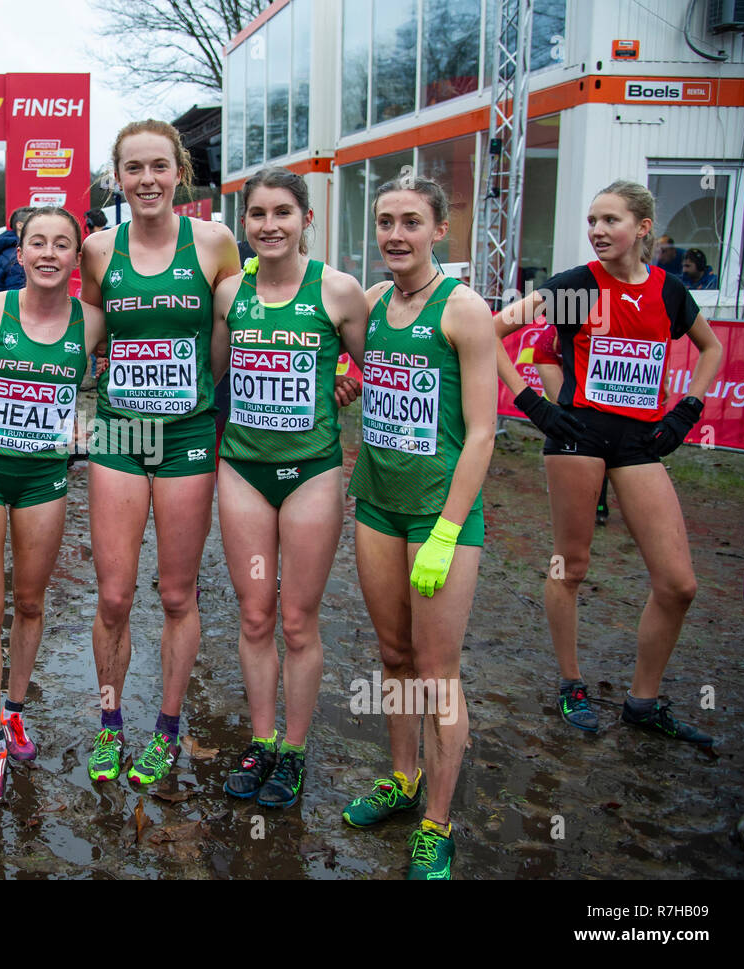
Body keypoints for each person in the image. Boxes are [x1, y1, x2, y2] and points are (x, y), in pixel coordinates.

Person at [493, 180, 722, 746]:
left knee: (678, 583)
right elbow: (491, 331)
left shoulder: (668, 291)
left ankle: (643, 702)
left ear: (643, 227)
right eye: (592, 220)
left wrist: (688, 408)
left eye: (610, 220)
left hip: (642, 442)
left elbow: (711, 348)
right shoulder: (579, 288)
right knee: (570, 566)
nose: (597, 230)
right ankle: (572, 684)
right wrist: (532, 405)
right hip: (577, 437)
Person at [339, 174, 497, 880]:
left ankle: (438, 821)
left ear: (440, 231)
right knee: (394, 654)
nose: (395, 235)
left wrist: (447, 529)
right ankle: (401, 780)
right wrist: (351, 382)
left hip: (441, 513)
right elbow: (373, 375)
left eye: (411, 221)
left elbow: (485, 433)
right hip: (375, 502)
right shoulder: (371, 305)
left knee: (439, 675)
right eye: (384, 222)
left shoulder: (464, 311)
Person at [79, 120, 241, 786]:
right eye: (133, 168)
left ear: (180, 172)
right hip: (119, 432)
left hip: (187, 437)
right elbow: (80, 333)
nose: (147, 179)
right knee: (114, 595)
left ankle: (168, 728)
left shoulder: (214, 242)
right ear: (117, 177)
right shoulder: (96, 249)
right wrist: (8, 362)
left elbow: (241, 326)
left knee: (177, 594)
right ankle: (111, 722)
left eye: (159, 166)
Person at [210, 167, 369, 808]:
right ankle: (261, 739)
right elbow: (211, 374)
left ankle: (295, 750)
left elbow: (381, 368)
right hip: (243, 469)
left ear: (307, 219)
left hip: (311, 472)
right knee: (254, 615)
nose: (269, 226)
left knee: (298, 621)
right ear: (243, 225)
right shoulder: (229, 293)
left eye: (282, 213)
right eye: (256, 215)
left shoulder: (339, 291)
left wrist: (347, 381)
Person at [0, 206, 105, 803]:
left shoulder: (92, 322)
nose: (47, 253)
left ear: (75, 256)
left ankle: (15, 710)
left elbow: (136, 366)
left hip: (45, 476)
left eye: (60, 244)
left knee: (32, 603)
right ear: (18, 249)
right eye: (36, 242)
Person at [0, 208, 31, 293]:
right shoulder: (17, 257)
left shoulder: (8, 249)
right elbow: (17, 299)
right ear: (20, 225)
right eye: (33, 221)